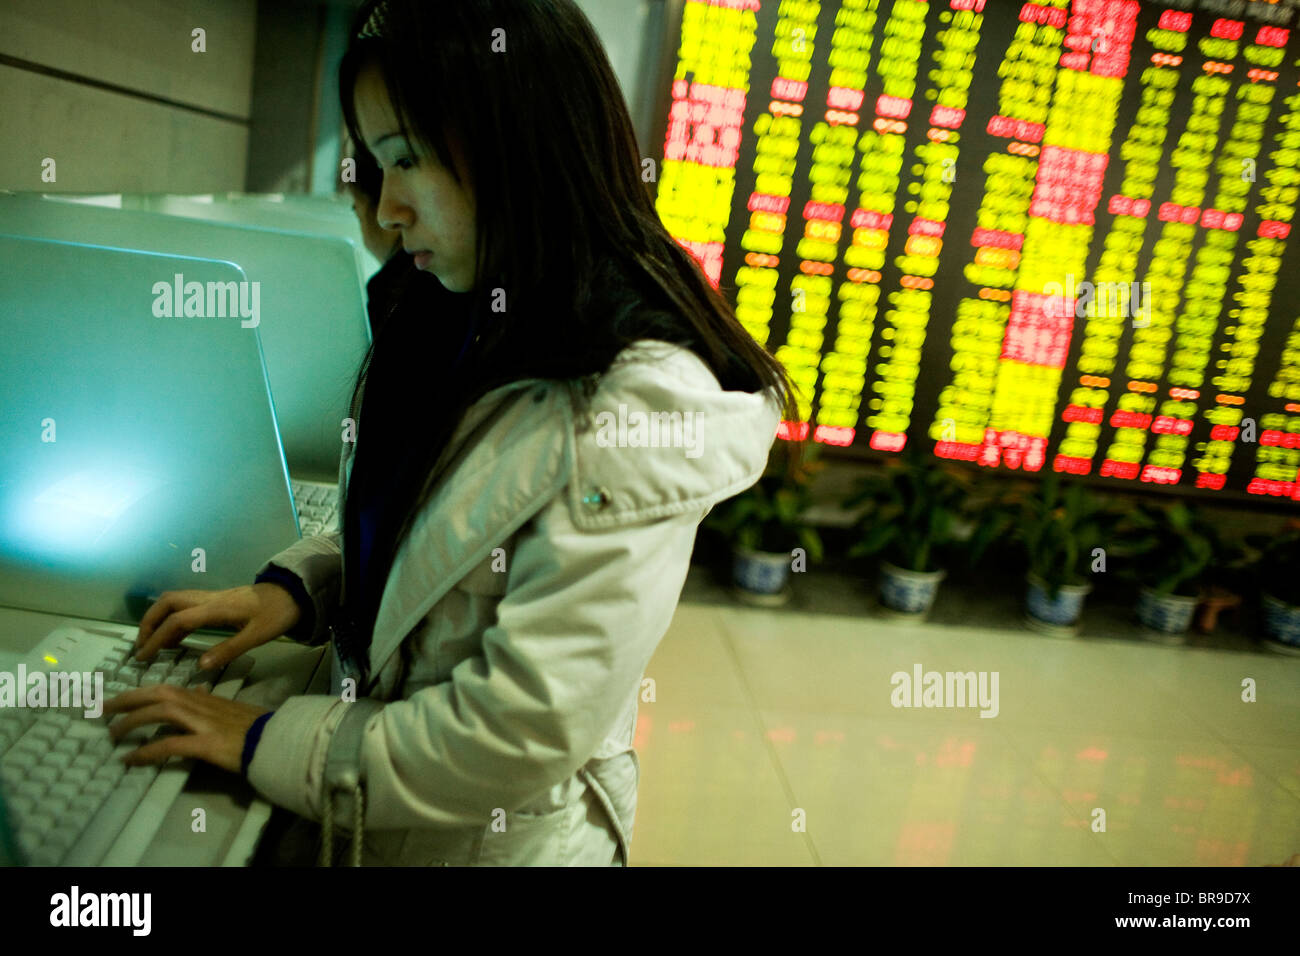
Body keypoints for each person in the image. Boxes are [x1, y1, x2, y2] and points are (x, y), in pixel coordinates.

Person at [104, 0, 796, 866]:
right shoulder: (457, 311)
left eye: (406, 160)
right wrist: (304, 587)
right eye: (372, 162)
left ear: (519, 146)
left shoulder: (633, 403)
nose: (386, 208)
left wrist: (262, 738)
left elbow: (515, 730)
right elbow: (439, 532)